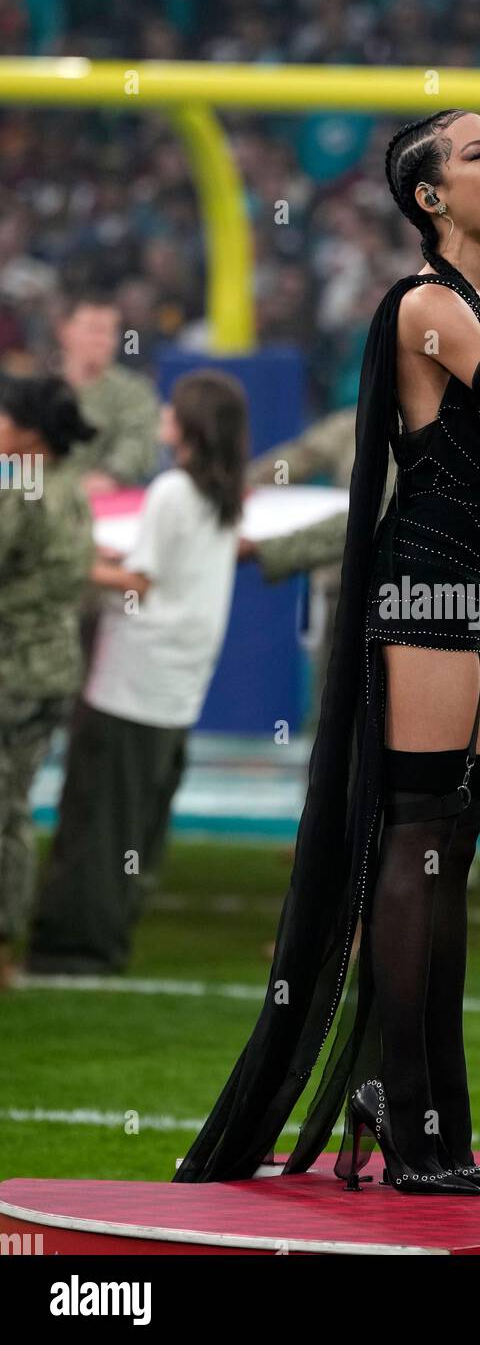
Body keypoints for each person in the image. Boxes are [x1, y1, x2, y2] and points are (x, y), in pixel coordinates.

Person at [173, 108, 480, 1196]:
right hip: (425, 599)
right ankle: (404, 1118)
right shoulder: (428, 306)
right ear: (428, 198)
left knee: (448, 856)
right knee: (415, 850)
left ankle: (427, 1120)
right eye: (477, 153)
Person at [27, 371, 248, 975]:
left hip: (131, 679)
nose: (161, 416)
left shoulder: (173, 491)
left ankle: (75, 947)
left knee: (96, 820)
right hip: (176, 684)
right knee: (135, 826)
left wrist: (67, 558)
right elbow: (154, 567)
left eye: (171, 410)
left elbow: (139, 583)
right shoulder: (222, 492)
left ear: (190, 424)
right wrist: (97, 555)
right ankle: (107, 934)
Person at [0, 376, 95, 989]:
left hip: (11, 669)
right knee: (12, 810)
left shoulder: (22, 483)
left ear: (30, 431)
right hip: (51, 668)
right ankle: (6, 948)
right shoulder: (70, 486)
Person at [56, 290, 161, 493]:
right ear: (64, 331)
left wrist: (111, 474)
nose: (103, 340)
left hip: (107, 500)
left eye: (110, 331)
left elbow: (138, 442)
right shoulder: (33, 391)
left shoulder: (134, 391)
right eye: (94, 330)